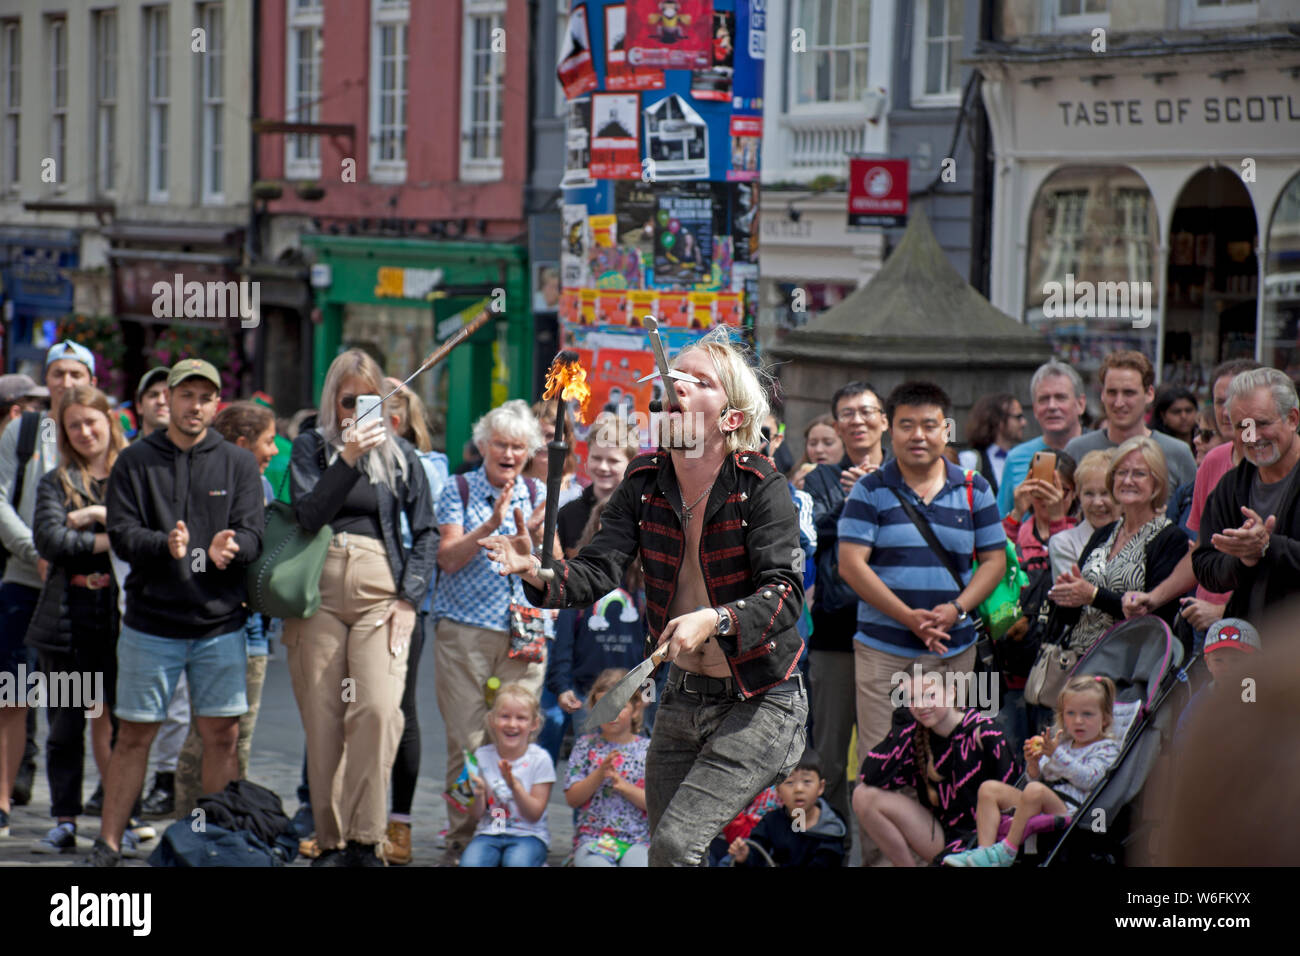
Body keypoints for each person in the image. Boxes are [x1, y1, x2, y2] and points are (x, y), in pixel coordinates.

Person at [482, 327, 808, 867]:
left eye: (697, 381)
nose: (676, 385)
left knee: (677, 845)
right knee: (668, 850)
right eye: (672, 376)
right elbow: (597, 569)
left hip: (761, 696)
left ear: (730, 418)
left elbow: (785, 594)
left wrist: (715, 618)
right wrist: (540, 574)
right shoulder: (644, 478)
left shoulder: (761, 484)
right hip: (682, 691)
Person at [91, 359, 264, 867]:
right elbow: (122, 535)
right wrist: (164, 545)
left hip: (219, 624)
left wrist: (234, 548)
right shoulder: (135, 461)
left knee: (222, 736)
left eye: (205, 397)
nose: (195, 406)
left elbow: (255, 535)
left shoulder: (236, 463)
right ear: (168, 398)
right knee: (135, 735)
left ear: (217, 404)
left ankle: (214, 842)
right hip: (151, 623)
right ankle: (107, 843)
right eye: (186, 395)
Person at [837, 380, 1007, 858]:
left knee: (956, 760)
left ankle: (956, 854)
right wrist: (907, 617)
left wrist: (955, 609)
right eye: (906, 424)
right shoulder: (870, 490)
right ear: (891, 429)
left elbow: (994, 560)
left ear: (945, 429)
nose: (918, 435)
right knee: (882, 765)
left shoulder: (974, 489)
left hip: (954, 651)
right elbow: (851, 563)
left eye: (929, 425)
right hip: (884, 650)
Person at [283, 350, 435, 867]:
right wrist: (345, 458)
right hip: (317, 595)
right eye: (349, 400)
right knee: (324, 720)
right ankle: (331, 839)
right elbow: (307, 515)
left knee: (376, 710)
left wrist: (411, 598)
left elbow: (427, 533)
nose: (357, 411)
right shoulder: (311, 448)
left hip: (382, 597)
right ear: (333, 400)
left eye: (369, 400)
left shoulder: (401, 457)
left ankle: (368, 838)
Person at [433, 399, 549, 865]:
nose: (508, 453)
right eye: (500, 443)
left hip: (525, 632)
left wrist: (531, 544)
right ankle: (463, 839)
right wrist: (490, 525)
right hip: (465, 632)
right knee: (466, 741)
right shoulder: (458, 488)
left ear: (529, 451)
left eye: (518, 446)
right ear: (483, 445)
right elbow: (448, 558)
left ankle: (520, 834)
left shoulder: (541, 493)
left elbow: (555, 567)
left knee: (517, 737)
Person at [0, 341, 95, 832]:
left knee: (74, 701)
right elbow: (0, 499)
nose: (66, 381)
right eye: (57, 373)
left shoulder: (101, 433)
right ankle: (3, 800)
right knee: (13, 695)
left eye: (76, 372)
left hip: (80, 586)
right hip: (24, 579)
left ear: (91, 379)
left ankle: (71, 811)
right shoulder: (25, 430)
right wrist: (32, 551)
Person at [26, 386, 125, 853]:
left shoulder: (133, 473)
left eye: (92, 421)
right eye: (74, 425)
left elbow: (151, 534)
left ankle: (121, 817)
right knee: (66, 726)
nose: (86, 432)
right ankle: (65, 820)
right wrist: (112, 540)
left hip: (122, 620)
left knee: (124, 725)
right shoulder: (55, 481)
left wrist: (97, 515)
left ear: (109, 421)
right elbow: (50, 541)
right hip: (67, 618)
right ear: (64, 433)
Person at [172, 401, 280, 817]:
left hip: (253, 628)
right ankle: (189, 823)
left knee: (240, 736)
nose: (273, 451)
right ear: (241, 444)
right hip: (214, 624)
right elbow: (191, 556)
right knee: (204, 736)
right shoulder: (205, 482)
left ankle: (227, 827)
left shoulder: (265, 487)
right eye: (268, 441)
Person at [800, 380, 891, 853]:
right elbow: (812, 527)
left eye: (865, 411)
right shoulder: (818, 478)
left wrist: (875, 493)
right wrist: (863, 501)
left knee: (884, 760)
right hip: (834, 634)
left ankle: (880, 858)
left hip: (894, 634)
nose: (857, 420)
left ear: (884, 420)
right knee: (830, 759)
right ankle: (829, 853)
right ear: (836, 426)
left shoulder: (904, 472)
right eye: (847, 414)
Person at [943, 675, 1120, 867]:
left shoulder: (1106, 747)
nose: (1078, 721)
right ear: (1062, 717)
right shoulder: (1063, 744)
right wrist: (1033, 764)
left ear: (1105, 719)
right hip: (1044, 798)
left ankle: (1007, 851)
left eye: (1087, 714)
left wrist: (1056, 755)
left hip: (1073, 808)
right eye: (1071, 713)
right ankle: (983, 854)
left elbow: (1089, 779)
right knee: (989, 788)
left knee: (1035, 791)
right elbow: (1036, 779)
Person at [380, 378, 448, 865]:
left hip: (404, 601)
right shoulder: (340, 456)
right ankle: (327, 813)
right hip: (346, 598)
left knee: (400, 711)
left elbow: (429, 538)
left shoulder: (425, 466)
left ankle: (399, 822)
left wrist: (409, 596)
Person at [854, 675, 1017, 866]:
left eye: (929, 695)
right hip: (945, 833)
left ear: (951, 693)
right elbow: (871, 776)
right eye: (913, 699)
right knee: (863, 795)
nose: (921, 705)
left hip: (989, 836)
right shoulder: (916, 736)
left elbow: (1012, 798)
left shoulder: (986, 732)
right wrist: (901, 730)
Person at [1048, 438, 1189, 656]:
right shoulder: (1105, 533)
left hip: (1130, 665)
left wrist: (1094, 595)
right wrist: (1068, 596)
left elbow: (1157, 614)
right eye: (1121, 473)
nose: (1128, 480)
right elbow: (1071, 615)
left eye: (1139, 474)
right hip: (1079, 662)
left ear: (1157, 482)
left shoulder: (1170, 538)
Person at [1192, 367, 1300, 622]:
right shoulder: (1231, 486)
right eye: (1242, 426)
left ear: (1293, 419)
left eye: (1262, 423)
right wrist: (1244, 560)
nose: (1252, 437)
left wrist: (1268, 546)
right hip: (1247, 647)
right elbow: (1205, 564)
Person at [546, 502, 648, 747]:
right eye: (607, 528)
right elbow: (564, 641)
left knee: (635, 772)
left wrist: (650, 692)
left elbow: (657, 647)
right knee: (590, 764)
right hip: (588, 695)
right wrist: (562, 687)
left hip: (634, 698)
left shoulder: (648, 584)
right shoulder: (579, 578)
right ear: (594, 531)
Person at [1064, 351, 1197, 491]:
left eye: (1129, 393)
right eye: (1112, 392)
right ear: (1102, 394)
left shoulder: (1177, 453)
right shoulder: (1077, 450)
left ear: (1149, 394)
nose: (1119, 402)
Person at [460, 683, 555, 867]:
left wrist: (514, 786)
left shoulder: (540, 759)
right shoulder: (481, 756)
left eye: (521, 718)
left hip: (529, 835)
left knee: (517, 862)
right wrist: (477, 794)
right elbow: (476, 814)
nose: (512, 724)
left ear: (534, 724)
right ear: (492, 720)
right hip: (489, 832)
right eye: (505, 717)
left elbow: (535, 814)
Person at [564, 668, 650, 867]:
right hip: (593, 839)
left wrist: (624, 787)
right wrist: (599, 774)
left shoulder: (647, 750)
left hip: (637, 839)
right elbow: (572, 799)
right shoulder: (585, 746)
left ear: (635, 709)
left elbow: (656, 805)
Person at [997, 361, 1088, 517]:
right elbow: (998, 525)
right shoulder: (1016, 458)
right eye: (1044, 399)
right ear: (1034, 409)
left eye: (1060, 397)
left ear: (1080, 404)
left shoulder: (1099, 450)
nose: (1052, 406)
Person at [728, 749, 846, 868]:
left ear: (820, 787)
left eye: (807, 781)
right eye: (790, 782)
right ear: (778, 790)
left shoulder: (831, 831)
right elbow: (758, 852)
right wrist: (747, 856)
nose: (799, 789)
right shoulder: (772, 821)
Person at [557, 411, 639, 557]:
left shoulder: (640, 514)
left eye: (613, 461)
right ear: (587, 458)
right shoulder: (568, 514)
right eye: (596, 458)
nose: (603, 467)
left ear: (631, 463)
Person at [1173, 617, 1259, 749]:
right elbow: (1183, 740)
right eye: (1219, 660)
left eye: (1236, 660)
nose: (1227, 668)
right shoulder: (1201, 701)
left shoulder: (1255, 694)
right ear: (1208, 663)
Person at [1048, 450, 1119, 580]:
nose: (1097, 502)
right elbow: (1074, 596)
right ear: (1078, 495)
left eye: (1105, 493)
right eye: (1089, 494)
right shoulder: (1063, 543)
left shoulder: (1141, 537)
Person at [958, 393, 1026, 496]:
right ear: (998, 420)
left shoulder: (1021, 459)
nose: (1024, 423)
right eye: (1018, 417)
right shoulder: (971, 460)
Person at [526, 400, 582, 508]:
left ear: (566, 439)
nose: (541, 442)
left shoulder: (579, 488)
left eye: (550, 435)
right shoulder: (513, 483)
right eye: (536, 435)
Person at [789, 413, 842, 489]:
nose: (818, 450)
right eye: (813, 444)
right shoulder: (793, 480)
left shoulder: (854, 481)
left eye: (828, 443)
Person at [1152, 383, 1197, 451]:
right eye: (1176, 412)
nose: (1183, 416)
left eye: (1188, 410)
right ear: (1163, 416)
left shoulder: (1205, 445)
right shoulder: (1155, 447)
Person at [134, 367, 170, 438]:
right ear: (139, 406)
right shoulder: (127, 449)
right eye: (153, 395)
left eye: (168, 396)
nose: (161, 401)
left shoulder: (194, 448)